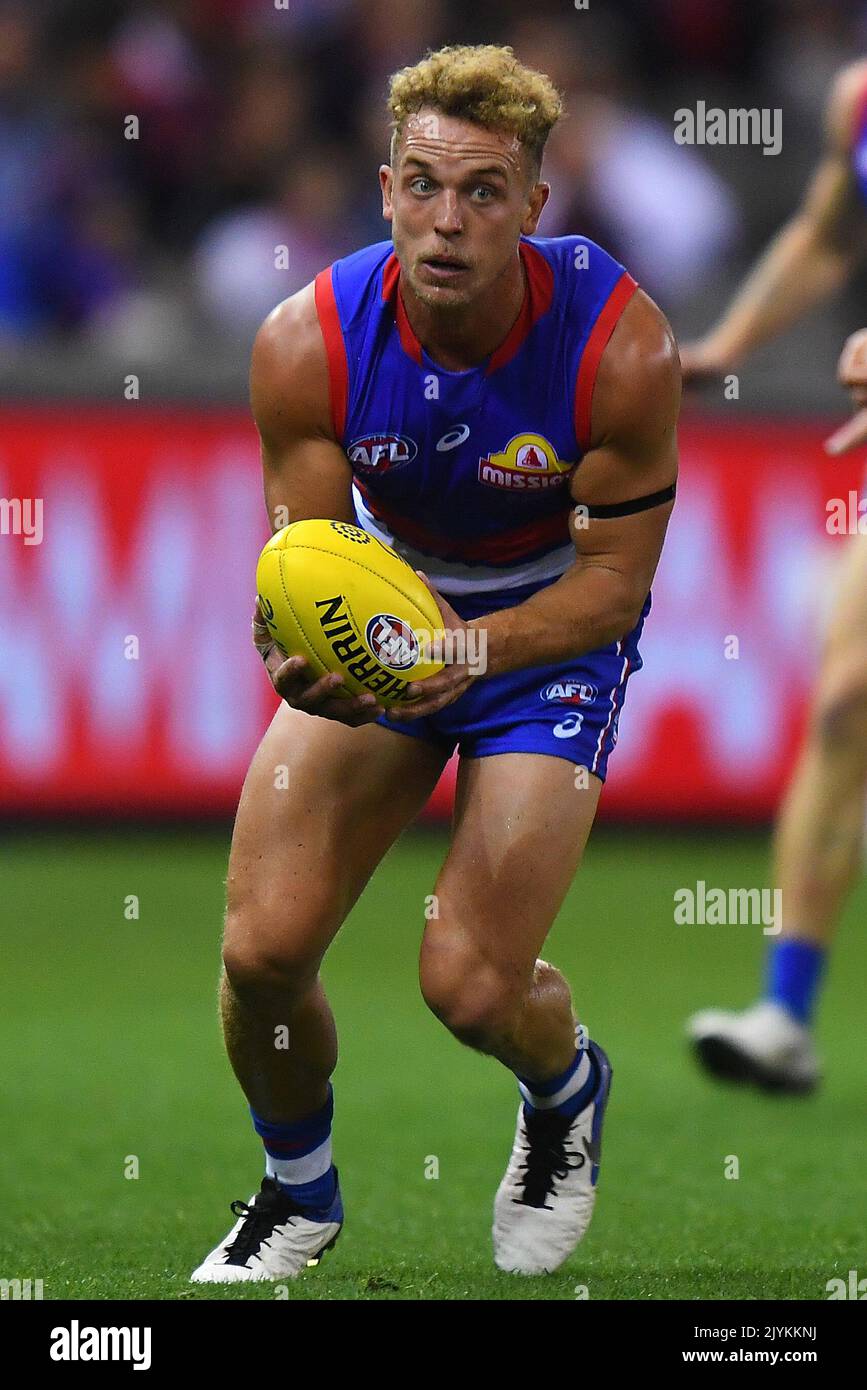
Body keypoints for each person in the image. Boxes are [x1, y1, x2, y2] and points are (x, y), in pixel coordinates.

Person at [191, 43, 678, 1282]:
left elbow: (612, 589)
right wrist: (303, 659)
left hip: (546, 633)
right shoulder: (305, 343)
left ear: (533, 206)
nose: (445, 220)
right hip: (401, 601)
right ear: (385, 188)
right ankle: (296, 1192)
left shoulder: (620, 347)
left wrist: (469, 649)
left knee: (466, 986)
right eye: (421, 185)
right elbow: (303, 567)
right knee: (260, 952)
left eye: (481, 192)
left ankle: (564, 1089)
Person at [683, 60, 867, 1094]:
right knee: (845, 703)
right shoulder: (857, 99)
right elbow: (826, 235)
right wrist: (727, 345)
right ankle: (785, 1014)